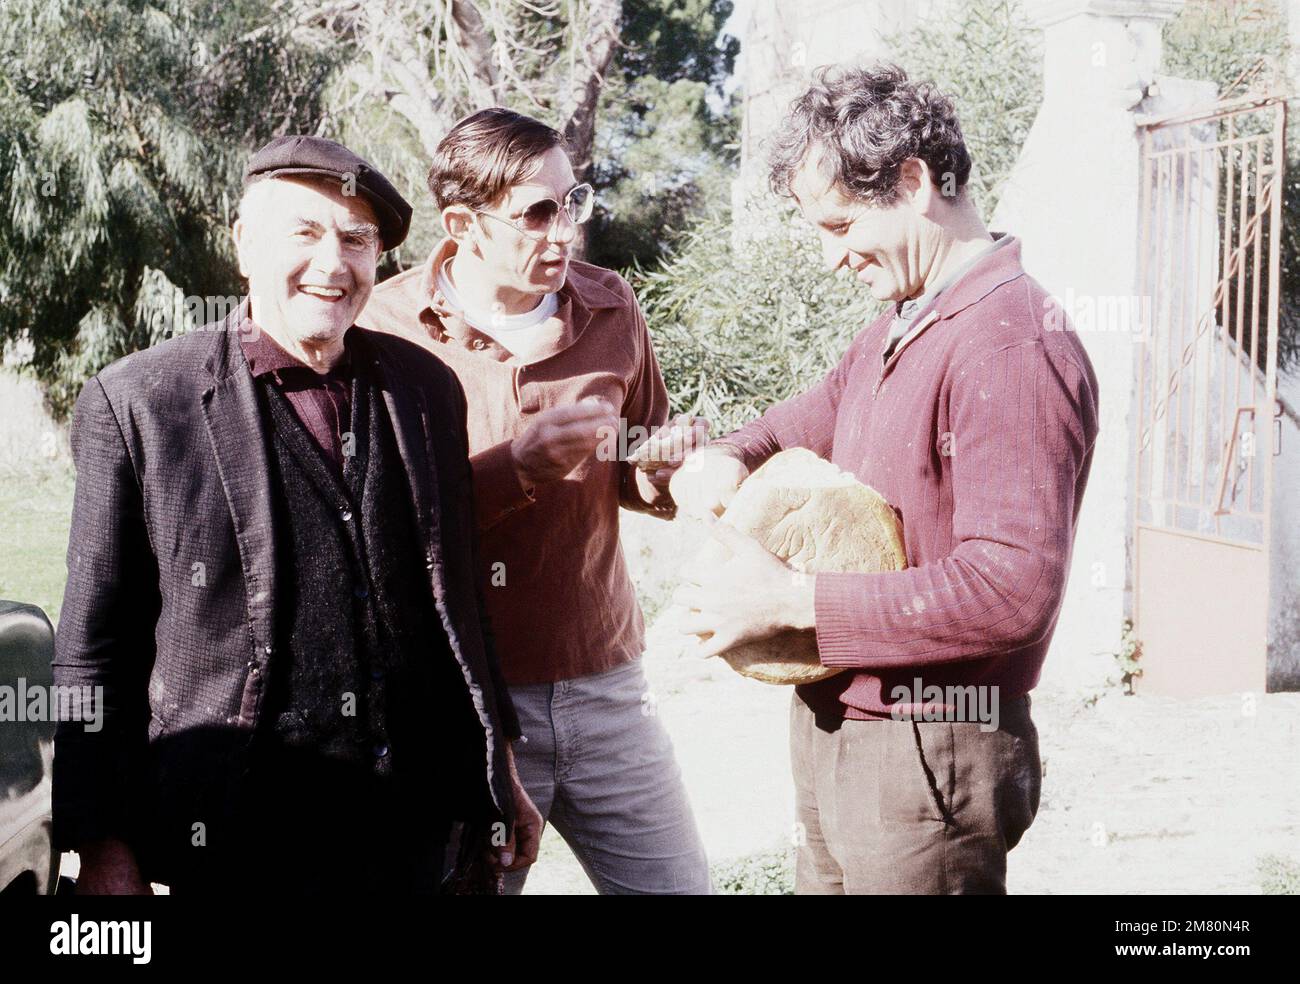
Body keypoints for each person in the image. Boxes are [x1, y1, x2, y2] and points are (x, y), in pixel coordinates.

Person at [52, 134, 541, 894]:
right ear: (244, 244)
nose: (333, 263)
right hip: (233, 842)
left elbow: (461, 603)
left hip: (417, 838)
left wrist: (498, 768)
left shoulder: (426, 388)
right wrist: (101, 844)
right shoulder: (138, 402)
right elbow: (93, 648)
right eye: (304, 232)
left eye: (356, 239)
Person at [671, 64, 1100, 894]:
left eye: (840, 225)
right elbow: (800, 419)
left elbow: (1013, 588)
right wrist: (727, 454)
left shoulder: (1011, 343)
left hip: (929, 743)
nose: (832, 258)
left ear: (911, 183)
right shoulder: (901, 325)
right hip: (842, 719)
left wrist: (794, 600)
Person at [361, 108, 711, 895]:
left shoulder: (612, 305)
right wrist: (516, 467)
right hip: (461, 702)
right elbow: (378, 522)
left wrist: (659, 469)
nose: (564, 233)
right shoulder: (382, 328)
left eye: (572, 201)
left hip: (608, 683)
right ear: (463, 224)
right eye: (536, 213)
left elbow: (633, 466)